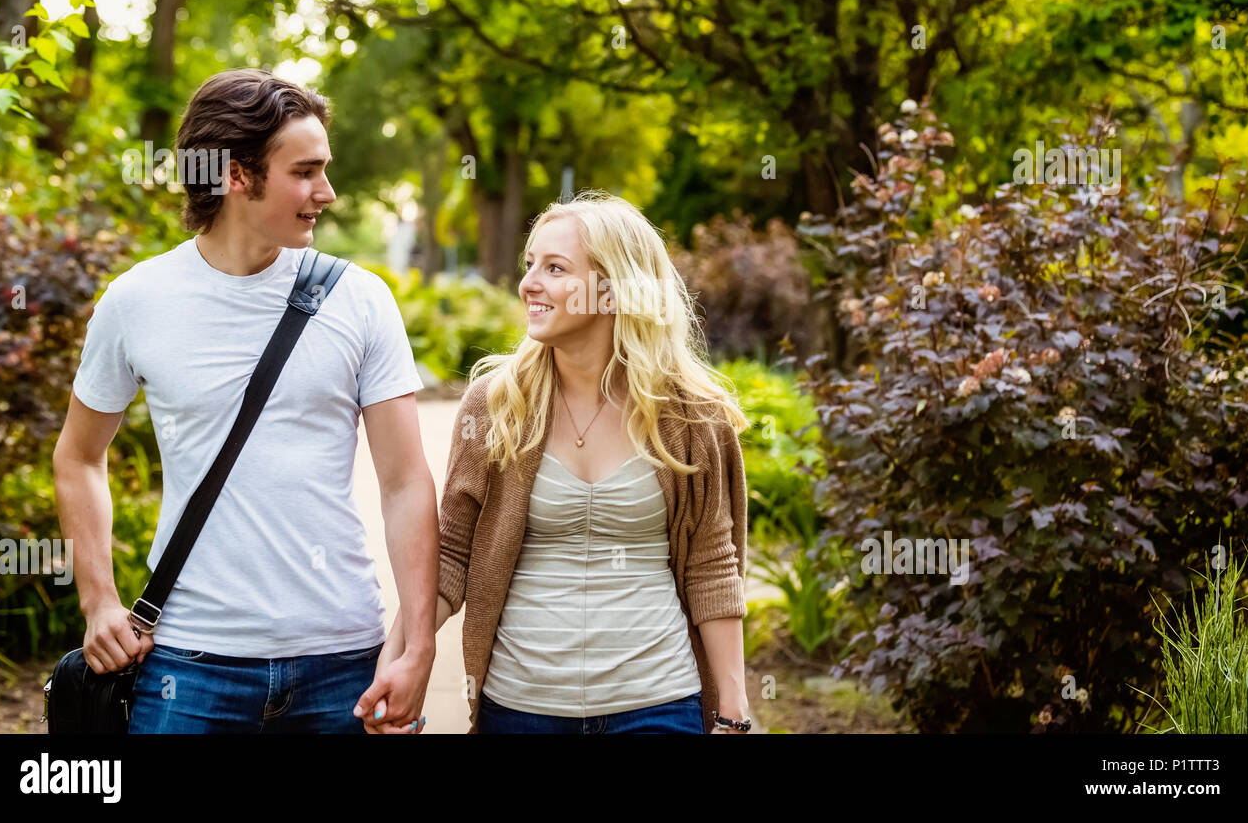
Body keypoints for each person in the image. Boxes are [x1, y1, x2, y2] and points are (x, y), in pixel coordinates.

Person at [52, 68, 437, 733]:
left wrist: (418, 644)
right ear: (234, 175)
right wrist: (99, 601)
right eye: (305, 172)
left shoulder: (361, 299)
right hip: (190, 665)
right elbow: (79, 457)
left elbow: (405, 483)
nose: (327, 192)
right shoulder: (138, 301)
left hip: (342, 661)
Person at [376, 190, 753, 733]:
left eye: (555, 268)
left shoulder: (691, 416)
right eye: (530, 265)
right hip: (521, 707)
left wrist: (734, 712)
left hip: (658, 702)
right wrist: (403, 656)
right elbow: (452, 553)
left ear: (613, 288)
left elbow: (712, 565)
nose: (530, 283)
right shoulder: (497, 405)